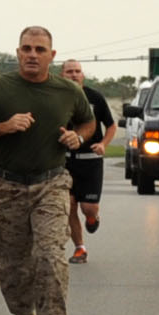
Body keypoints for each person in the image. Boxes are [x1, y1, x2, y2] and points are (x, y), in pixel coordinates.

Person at [0, 26, 96, 315]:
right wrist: (4, 127)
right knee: (13, 265)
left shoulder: (67, 90)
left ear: (52, 56)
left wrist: (77, 138)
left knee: (51, 254)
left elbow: (88, 123)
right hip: (7, 185)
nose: (32, 55)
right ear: (18, 52)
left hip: (50, 183)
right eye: (27, 49)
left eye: (40, 49)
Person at [60, 58, 114, 261]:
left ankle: (93, 218)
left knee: (87, 207)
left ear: (82, 75)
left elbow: (111, 125)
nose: (74, 75)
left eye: (77, 71)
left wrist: (103, 145)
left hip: (90, 160)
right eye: (69, 72)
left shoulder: (95, 97)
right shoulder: (57, 97)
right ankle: (80, 248)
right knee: (70, 204)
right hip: (65, 160)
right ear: (62, 75)